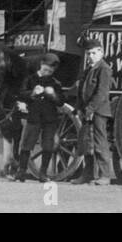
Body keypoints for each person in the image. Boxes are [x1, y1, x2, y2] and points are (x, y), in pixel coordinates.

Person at [15, 53, 65, 183]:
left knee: (48, 146)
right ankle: (21, 171)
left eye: (50, 71)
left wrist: (53, 94)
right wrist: (32, 92)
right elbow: (20, 94)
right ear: (41, 65)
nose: (47, 73)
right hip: (34, 117)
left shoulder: (55, 83)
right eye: (45, 70)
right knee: (27, 144)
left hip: (49, 119)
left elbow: (61, 101)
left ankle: (43, 173)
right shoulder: (30, 79)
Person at [71, 38, 115, 186]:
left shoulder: (104, 69)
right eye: (88, 53)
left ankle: (105, 175)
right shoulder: (88, 70)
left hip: (98, 111)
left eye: (94, 53)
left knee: (99, 142)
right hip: (86, 111)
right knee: (86, 143)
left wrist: (91, 109)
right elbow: (81, 91)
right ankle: (87, 174)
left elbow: (101, 93)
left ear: (101, 52)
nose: (91, 56)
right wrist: (78, 108)